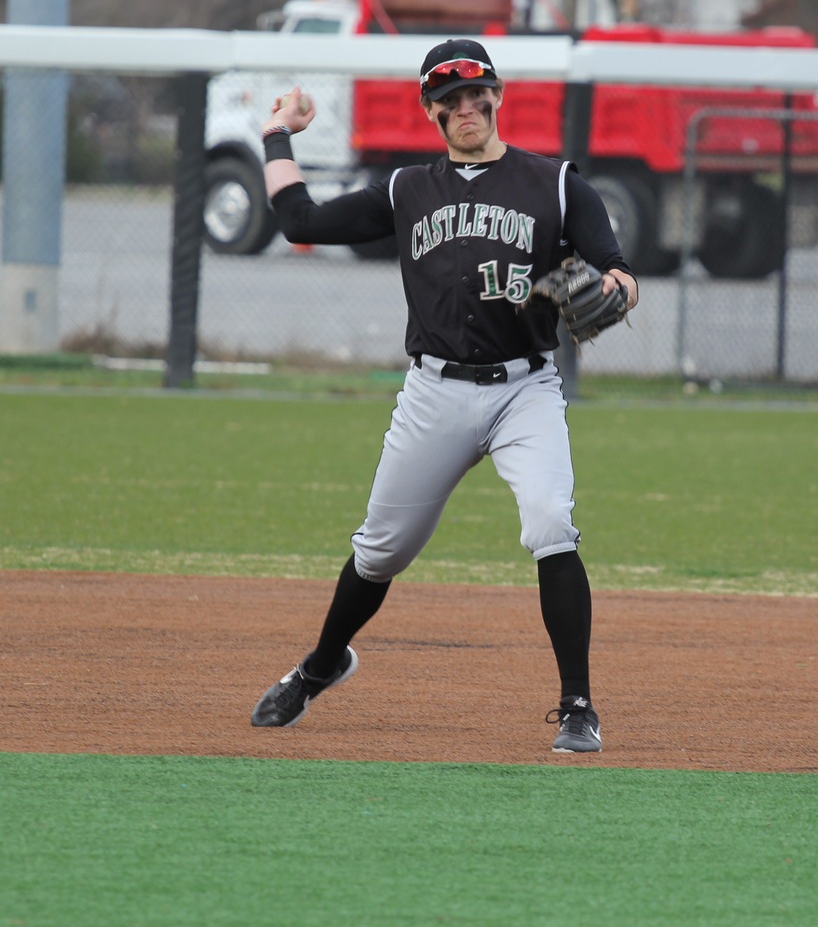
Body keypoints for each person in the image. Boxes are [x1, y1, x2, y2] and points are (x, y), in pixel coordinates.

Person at [248, 38, 637, 754]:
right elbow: (300, 222)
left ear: (497, 96)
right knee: (381, 551)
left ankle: (578, 704)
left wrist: (613, 290)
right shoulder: (407, 191)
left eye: (476, 92)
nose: (466, 106)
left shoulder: (554, 185)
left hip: (525, 390)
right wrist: (276, 133)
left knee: (551, 522)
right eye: (449, 97)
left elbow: (619, 271)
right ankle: (321, 665)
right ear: (430, 110)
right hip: (432, 392)